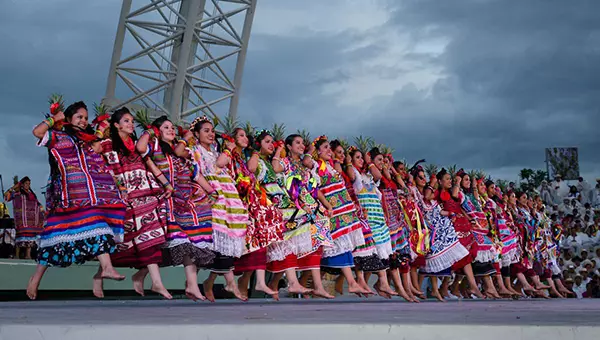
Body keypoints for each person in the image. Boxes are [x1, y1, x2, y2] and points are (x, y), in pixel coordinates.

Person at [27, 101, 126, 300]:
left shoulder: (85, 141)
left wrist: (102, 128)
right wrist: (53, 119)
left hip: (86, 198)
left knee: (98, 226)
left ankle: (107, 268)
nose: (83, 121)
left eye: (86, 118)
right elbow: (37, 132)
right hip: (66, 197)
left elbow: (100, 148)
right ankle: (35, 279)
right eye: (79, 117)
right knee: (51, 243)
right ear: (69, 119)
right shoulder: (58, 137)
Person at [137, 115, 215, 302]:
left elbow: (195, 175)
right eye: (166, 128)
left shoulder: (179, 155)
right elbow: (140, 148)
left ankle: (192, 285)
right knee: (170, 244)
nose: (172, 130)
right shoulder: (153, 149)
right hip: (161, 205)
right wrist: (150, 132)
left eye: (173, 127)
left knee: (189, 244)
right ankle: (144, 276)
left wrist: (212, 193)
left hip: (181, 207)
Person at [96, 108, 171, 299]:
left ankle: (156, 283)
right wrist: (121, 192)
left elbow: (149, 164)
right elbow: (108, 168)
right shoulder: (108, 144)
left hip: (146, 195)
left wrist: (166, 184)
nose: (130, 124)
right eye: (126, 121)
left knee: (151, 240)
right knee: (124, 244)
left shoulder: (136, 145)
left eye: (132, 121)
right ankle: (99, 275)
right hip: (125, 199)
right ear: (116, 125)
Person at [183, 116, 249, 301]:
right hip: (210, 194)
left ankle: (228, 283)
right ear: (196, 133)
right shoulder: (194, 150)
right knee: (209, 240)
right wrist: (211, 191)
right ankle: (197, 284)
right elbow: (199, 172)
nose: (211, 134)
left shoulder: (214, 150)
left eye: (212, 131)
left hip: (226, 195)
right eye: (206, 131)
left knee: (225, 237)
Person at [228, 128, 284, 299]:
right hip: (248, 202)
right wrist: (255, 153)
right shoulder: (251, 157)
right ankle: (236, 281)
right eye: (267, 141)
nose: (271, 145)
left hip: (261, 203)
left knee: (261, 244)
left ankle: (252, 281)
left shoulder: (261, 159)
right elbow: (251, 170)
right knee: (253, 244)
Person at [310, 136, 369, 296]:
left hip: (342, 213)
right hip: (333, 212)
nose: (330, 151)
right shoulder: (317, 167)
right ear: (317, 152)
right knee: (338, 246)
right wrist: (328, 205)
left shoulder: (328, 166)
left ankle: (348, 283)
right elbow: (317, 189)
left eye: (330, 148)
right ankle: (350, 283)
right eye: (326, 148)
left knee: (343, 247)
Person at [3, 177, 44, 259]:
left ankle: (28, 255)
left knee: (30, 237)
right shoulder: (17, 193)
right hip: (22, 220)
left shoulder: (32, 194)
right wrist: (14, 187)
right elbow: (6, 197)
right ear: (22, 184)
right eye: (26, 183)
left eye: (29, 184)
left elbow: (38, 204)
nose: (28, 185)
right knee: (21, 237)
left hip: (32, 220)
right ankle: (17, 255)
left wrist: (43, 212)